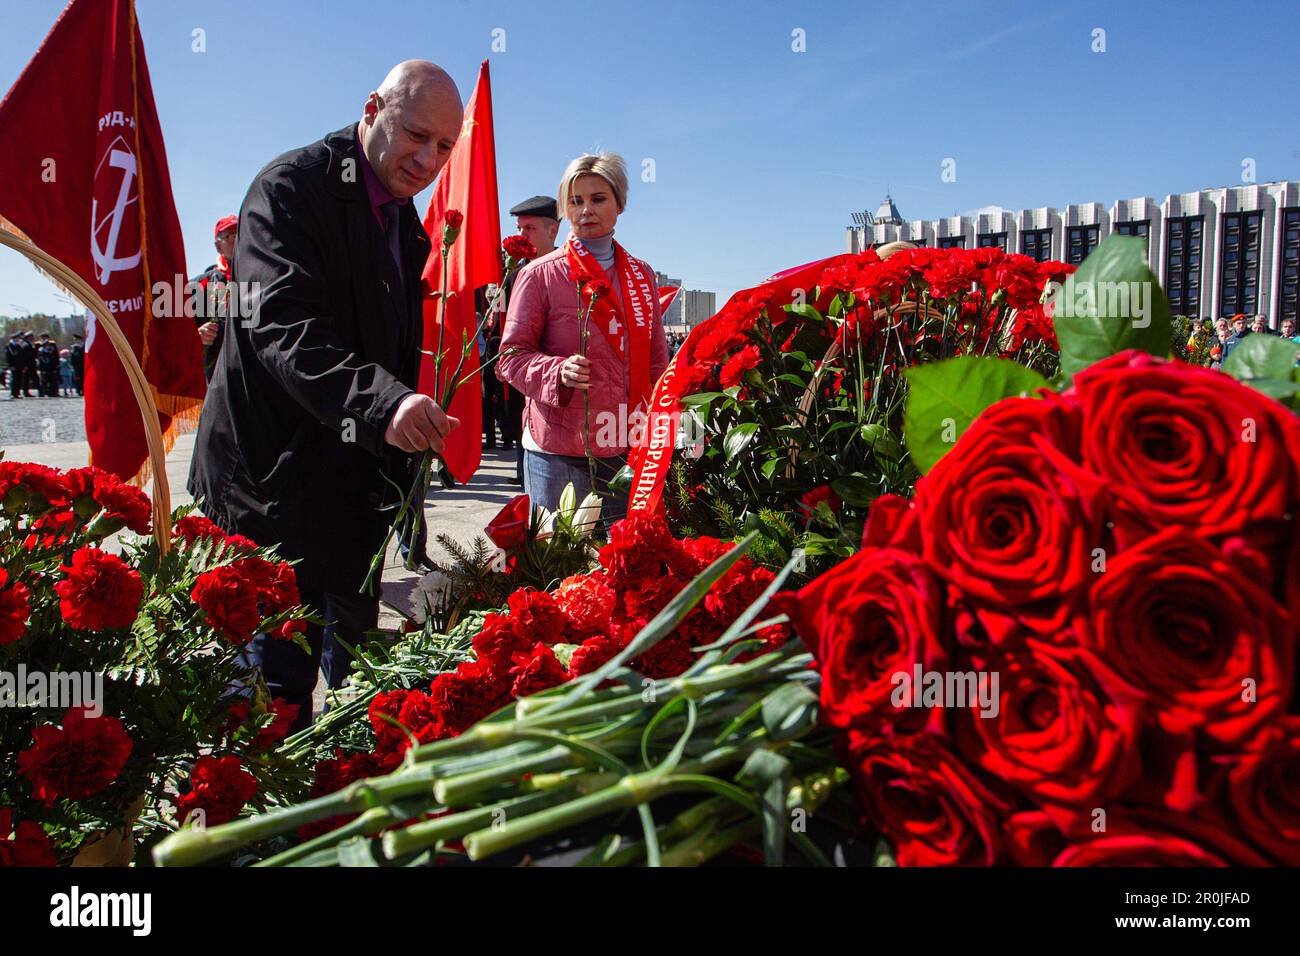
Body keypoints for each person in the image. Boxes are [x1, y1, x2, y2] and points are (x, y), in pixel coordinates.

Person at [188, 60, 463, 731]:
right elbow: (284, 326)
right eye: (416, 135)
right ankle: (246, 835)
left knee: (356, 705)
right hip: (271, 494)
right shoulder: (290, 190)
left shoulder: (403, 221)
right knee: (267, 706)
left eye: (445, 147)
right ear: (374, 107)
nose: (428, 160)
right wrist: (384, 405)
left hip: (350, 503)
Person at [498, 154, 669, 524]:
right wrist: (556, 371)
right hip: (556, 450)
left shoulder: (643, 275)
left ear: (619, 204)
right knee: (558, 566)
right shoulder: (538, 274)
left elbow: (658, 362)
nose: (586, 210)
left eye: (598, 199)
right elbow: (510, 358)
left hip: (627, 443)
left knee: (621, 562)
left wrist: (665, 427)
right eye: (575, 201)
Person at [496, 195, 561, 486]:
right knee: (523, 420)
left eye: (529, 228)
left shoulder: (567, 270)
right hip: (524, 370)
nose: (521, 235)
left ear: (552, 230)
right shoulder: (514, 274)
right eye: (519, 228)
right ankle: (524, 476)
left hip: (556, 371)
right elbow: (507, 323)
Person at [192, 215, 238, 381]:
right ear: (218, 247)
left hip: (258, 383)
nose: (239, 240)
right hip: (217, 382)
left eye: (243, 233)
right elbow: (175, 338)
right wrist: (197, 336)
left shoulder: (266, 280)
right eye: (231, 236)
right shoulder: (199, 285)